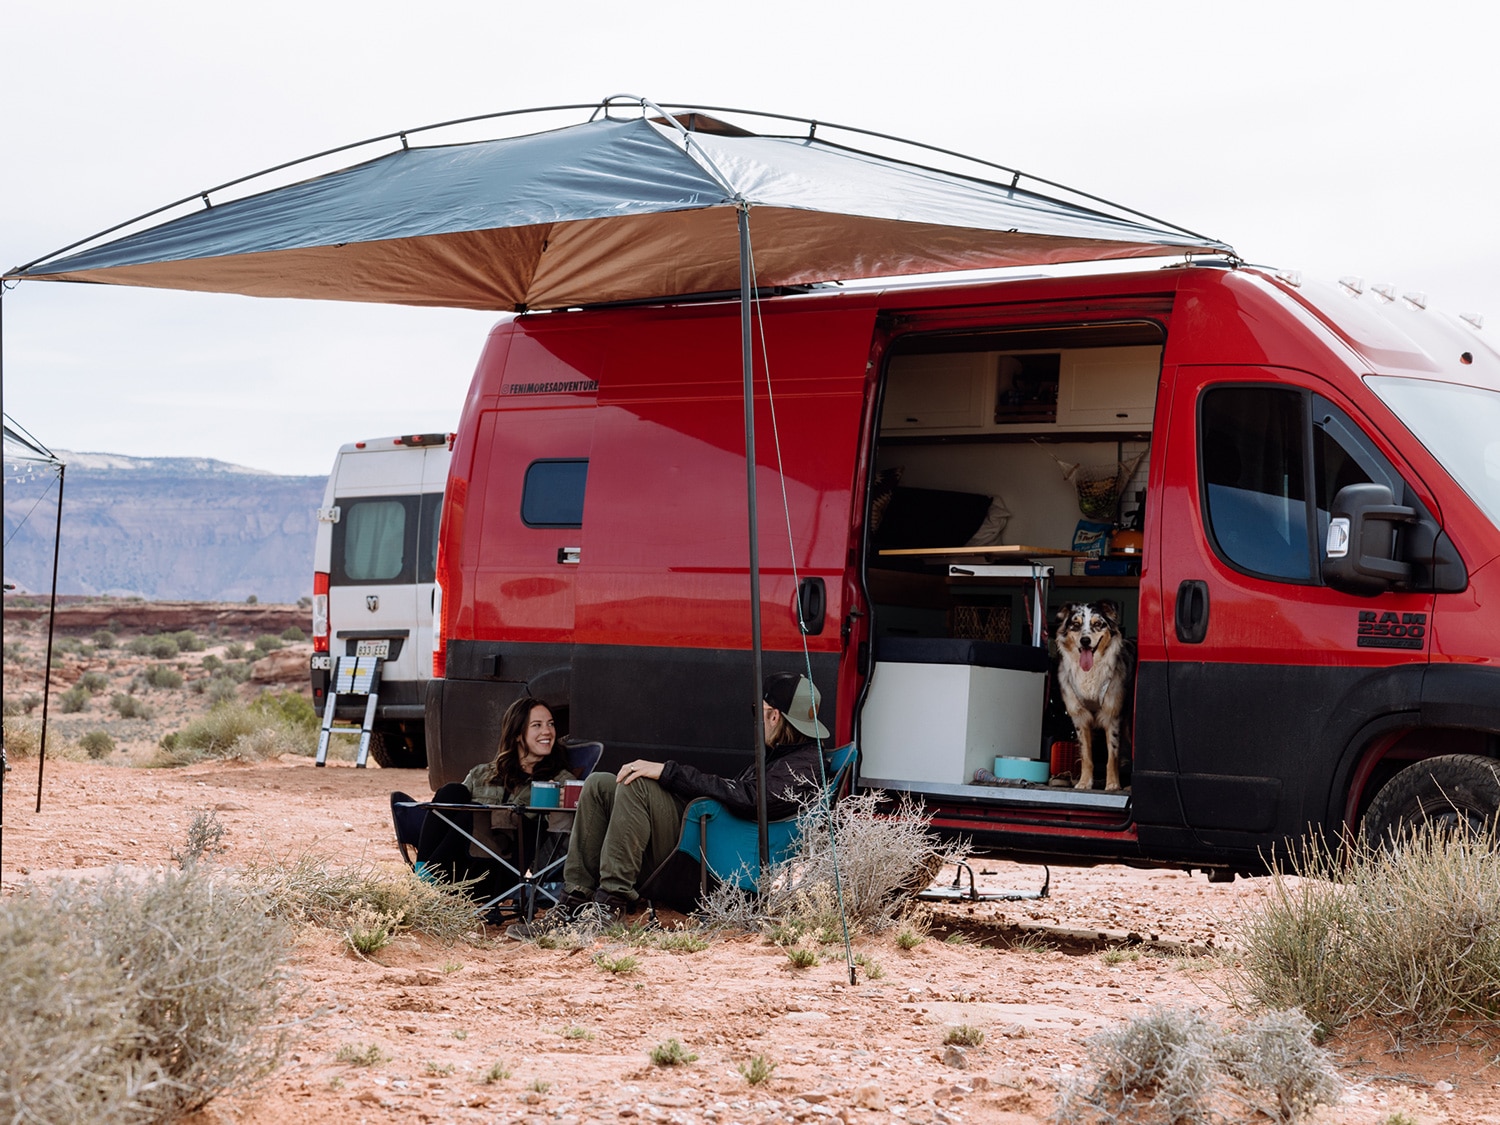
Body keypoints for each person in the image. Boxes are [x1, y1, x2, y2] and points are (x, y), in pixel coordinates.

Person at [544, 672, 830, 925]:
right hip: (713, 846)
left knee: (638, 785)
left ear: (774, 715)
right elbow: (738, 793)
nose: (757, 720)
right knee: (600, 784)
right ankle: (574, 902)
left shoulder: (803, 764)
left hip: (718, 868)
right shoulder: (784, 758)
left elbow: (752, 799)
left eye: (759, 711)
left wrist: (670, 773)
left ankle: (611, 905)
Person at [414, 697, 574, 908]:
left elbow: (554, 845)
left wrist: (561, 805)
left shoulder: (561, 781)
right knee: (453, 791)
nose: (547, 731)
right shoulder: (482, 773)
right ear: (517, 734)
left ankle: (424, 883)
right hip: (458, 864)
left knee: (473, 813)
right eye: (537, 725)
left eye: (551, 724)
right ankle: (423, 872)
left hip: (500, 871)